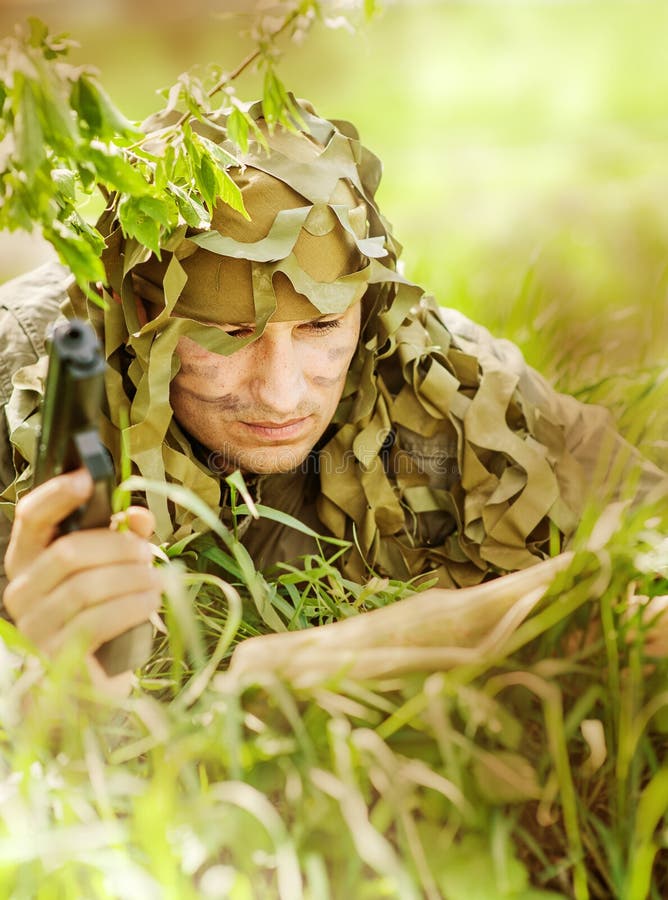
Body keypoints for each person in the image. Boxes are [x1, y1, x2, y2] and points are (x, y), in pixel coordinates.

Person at [1, 99, 666, 690]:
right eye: (227, 334)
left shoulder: (435, 368)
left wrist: (326, 657)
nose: (282, 392)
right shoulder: (21, 387)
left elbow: (650, 536)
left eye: (321, 326)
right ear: (133, 311)